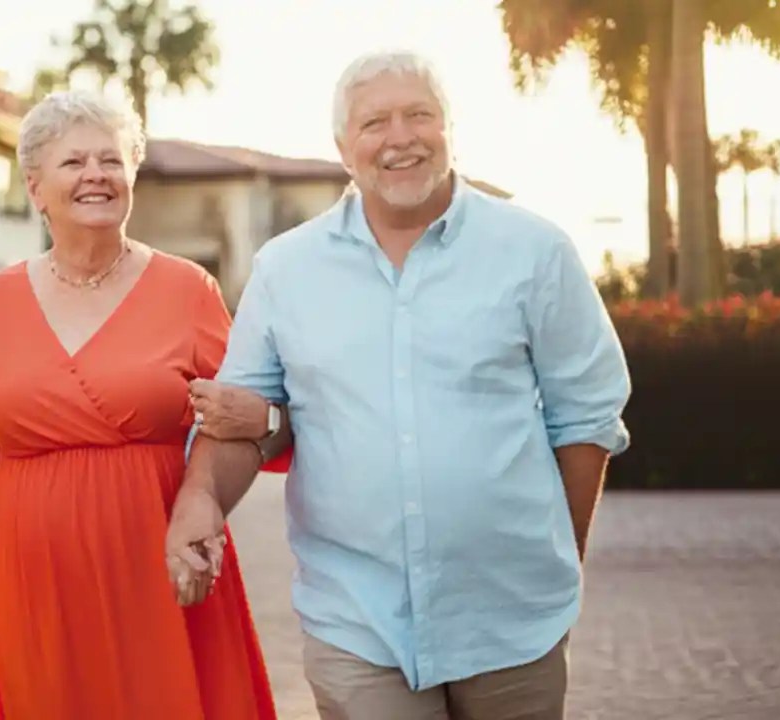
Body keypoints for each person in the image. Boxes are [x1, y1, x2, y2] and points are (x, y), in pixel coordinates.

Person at [166, 49, 632, 720]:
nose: (400, 138)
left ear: (449, 128)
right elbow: (245, 423)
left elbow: (585, 415)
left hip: (512, 620)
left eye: (420, 115)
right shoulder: (286, 271)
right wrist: (201, 497)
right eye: (375, 122)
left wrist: (560, 555)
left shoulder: (535, 252)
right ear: (342, 147)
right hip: (356, 619)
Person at [0, 90, 280, 720]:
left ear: (131, 175)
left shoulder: (187, 289)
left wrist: (206, 498)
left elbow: (241, 420)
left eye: (111, 160)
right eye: (74, 162)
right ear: (35, 187)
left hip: (161, 570)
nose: (96, 175)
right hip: (35, 585)